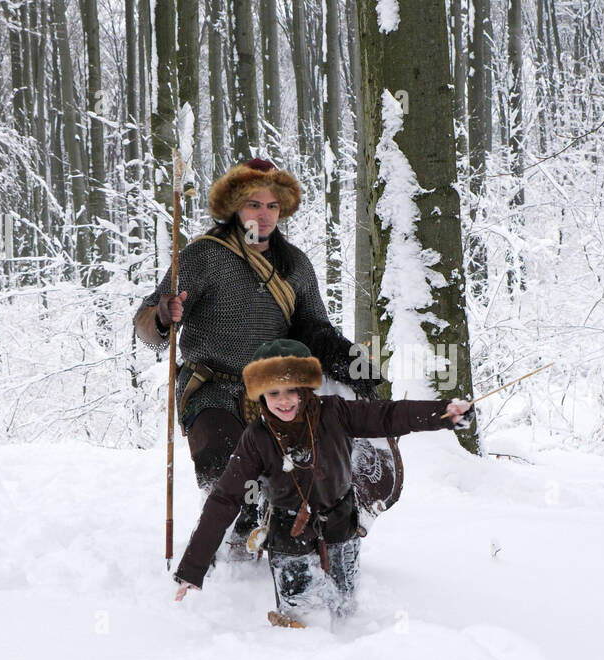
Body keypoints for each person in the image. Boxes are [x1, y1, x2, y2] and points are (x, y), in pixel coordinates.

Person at [134, 159, 379, 556]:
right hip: (209, 388)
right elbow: (146, 323)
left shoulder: (295, 265)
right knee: (228, 470)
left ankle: (272, 542)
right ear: (233, 207)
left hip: (273, 391)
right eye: (253, 204)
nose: (263, 215)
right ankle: (220, 549)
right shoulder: (201, 257)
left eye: (272, 206)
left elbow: (315, 328)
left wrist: (353, 365)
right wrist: (163, 315)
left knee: (288, 476)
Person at [171, 339, 473, 627]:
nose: (284, 401)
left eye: (292, 390)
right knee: (303, 622)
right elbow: (224, 499)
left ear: (305, 388)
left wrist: (444, 413)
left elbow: (389, 415)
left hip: (341, 526)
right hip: (290, 537)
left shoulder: (335, 412)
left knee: (345, 613)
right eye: (273, 393)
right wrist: (192, 567)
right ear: (261, 395)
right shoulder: (257, 439)